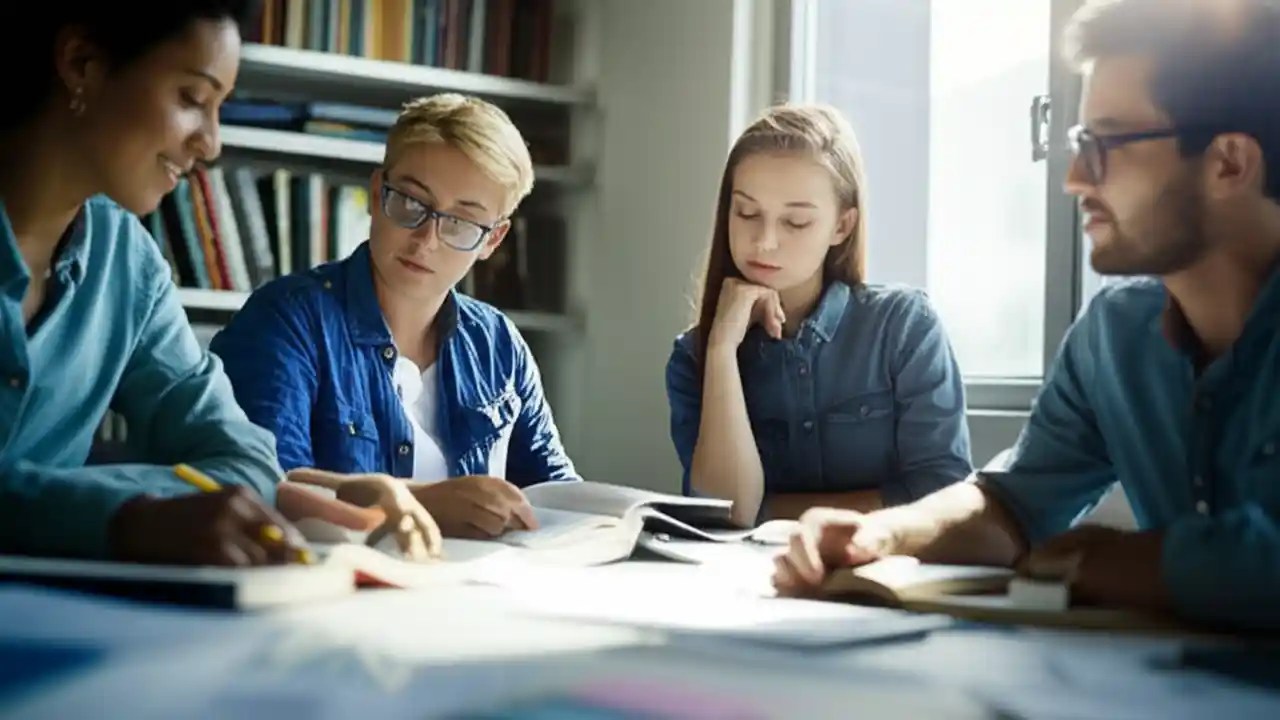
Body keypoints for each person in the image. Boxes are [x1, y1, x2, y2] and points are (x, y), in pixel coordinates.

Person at [774, 0, 1280, 632]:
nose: (1072, 179)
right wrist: (883, 535)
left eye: (1108, 145)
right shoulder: (1113, 338)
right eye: (1078, 144)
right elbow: (1012, 506)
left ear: (1229, 163)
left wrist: (1119, 561)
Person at [0, 1, 313, 566]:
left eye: (219, 108)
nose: (211, 144)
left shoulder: (130, 265)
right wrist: (120, 514)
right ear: (82, 63)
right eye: (193, 99)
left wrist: (110, 507)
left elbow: (244, 459)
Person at [211, 93, 579, 540]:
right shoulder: (287, 320)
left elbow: (555, 495)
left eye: (461, 223)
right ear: (375, 192)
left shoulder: (499, 345)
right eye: (409, 202)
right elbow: (259, 487)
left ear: (493, 240)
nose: (426, 240)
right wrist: (421, 502)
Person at [665, 104, 973, 528]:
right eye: (747, 213)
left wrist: (769, 511)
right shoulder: (693, 357)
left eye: (796, 222)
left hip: (882, 573)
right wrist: (721, 350)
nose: (765, 241)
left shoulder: (904, 328)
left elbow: (941, 494)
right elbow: (725, 513)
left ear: (841, 226)